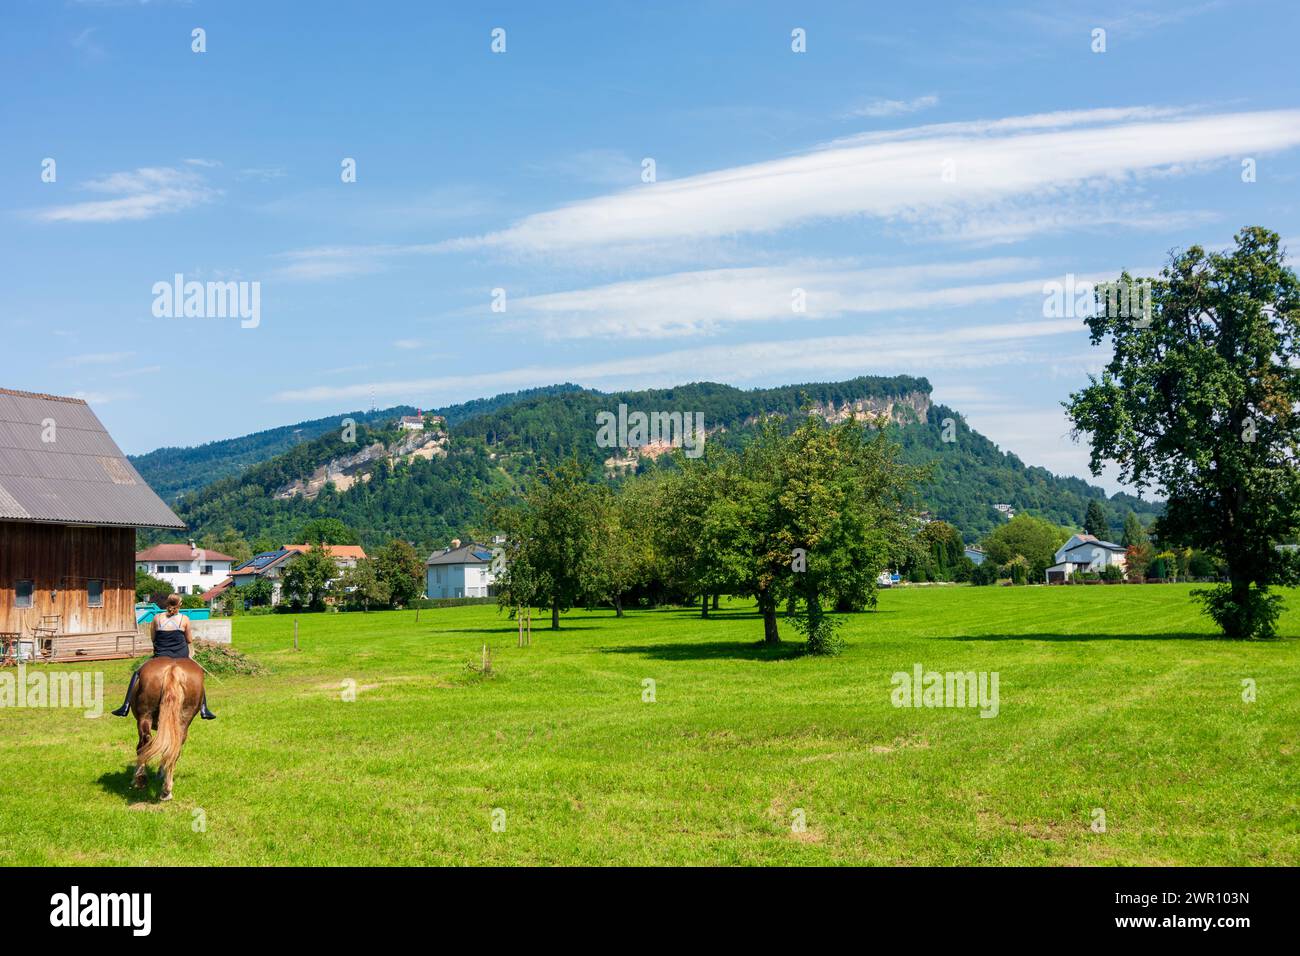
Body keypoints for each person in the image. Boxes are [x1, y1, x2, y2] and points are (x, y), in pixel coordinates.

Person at [112, 594, 216, 719]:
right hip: (181, 656)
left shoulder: (157, 618)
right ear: (180, 605)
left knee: (137, 672)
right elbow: (189, 640)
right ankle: (204, 709)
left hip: (160, 655)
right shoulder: (185, 619)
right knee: (197, 675)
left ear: (167, 603)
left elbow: (153, 638)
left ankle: (125, 706)